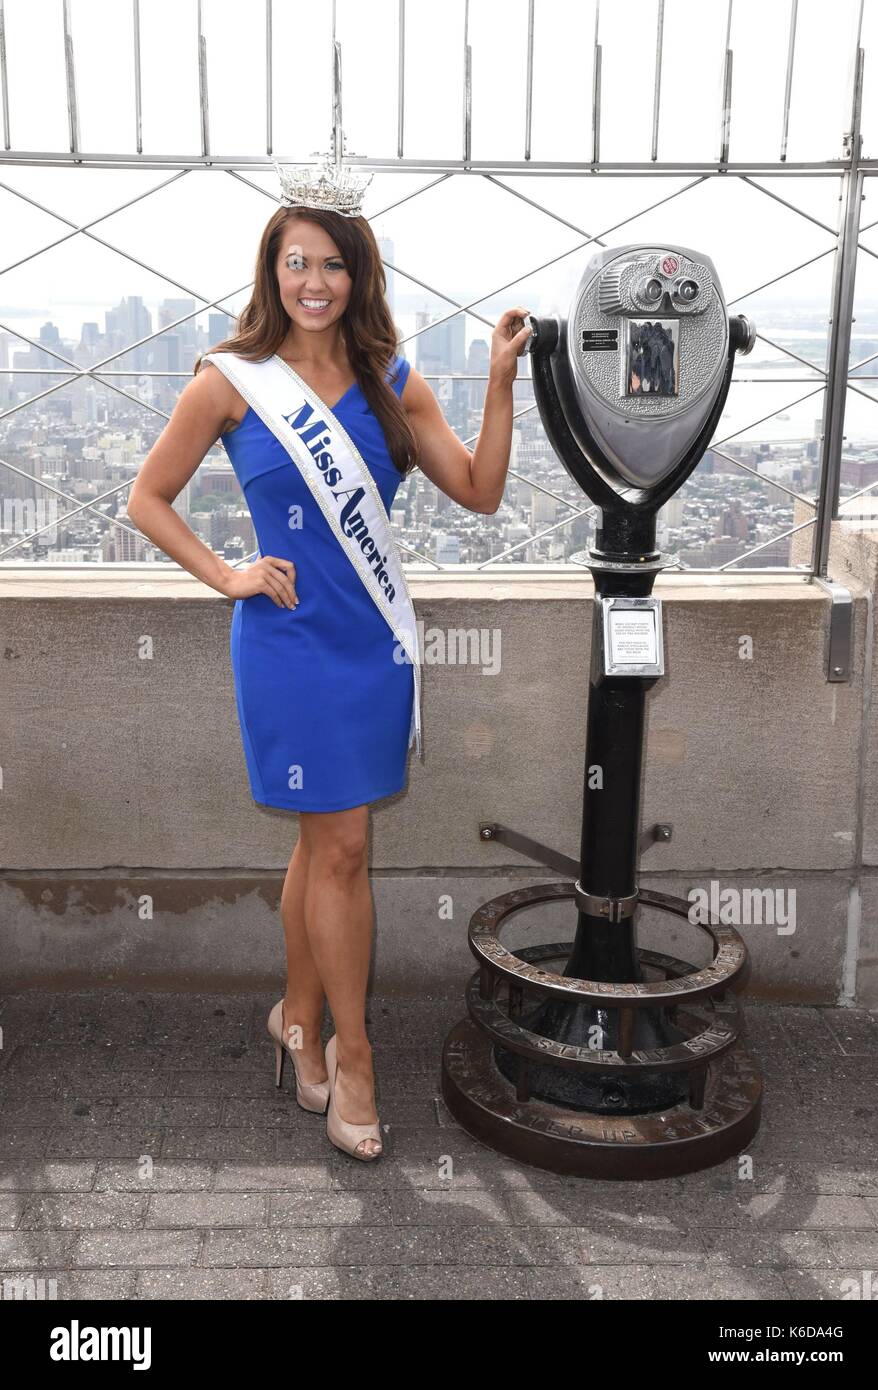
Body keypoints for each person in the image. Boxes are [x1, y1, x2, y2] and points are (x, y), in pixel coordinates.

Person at [126, 157, 532, 1162]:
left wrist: (495, 383)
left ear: (358, 275)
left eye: (332, 265)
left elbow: (477, 491)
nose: (313, 282)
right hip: (287, 644)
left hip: (370, 644)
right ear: (271, 273)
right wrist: (226, 572)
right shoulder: (227, 380)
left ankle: (295, 1020)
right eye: (294, 263)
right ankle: (353, 1054)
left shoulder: (394, 380)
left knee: (322, 847)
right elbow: (145, 499)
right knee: (343, 846)